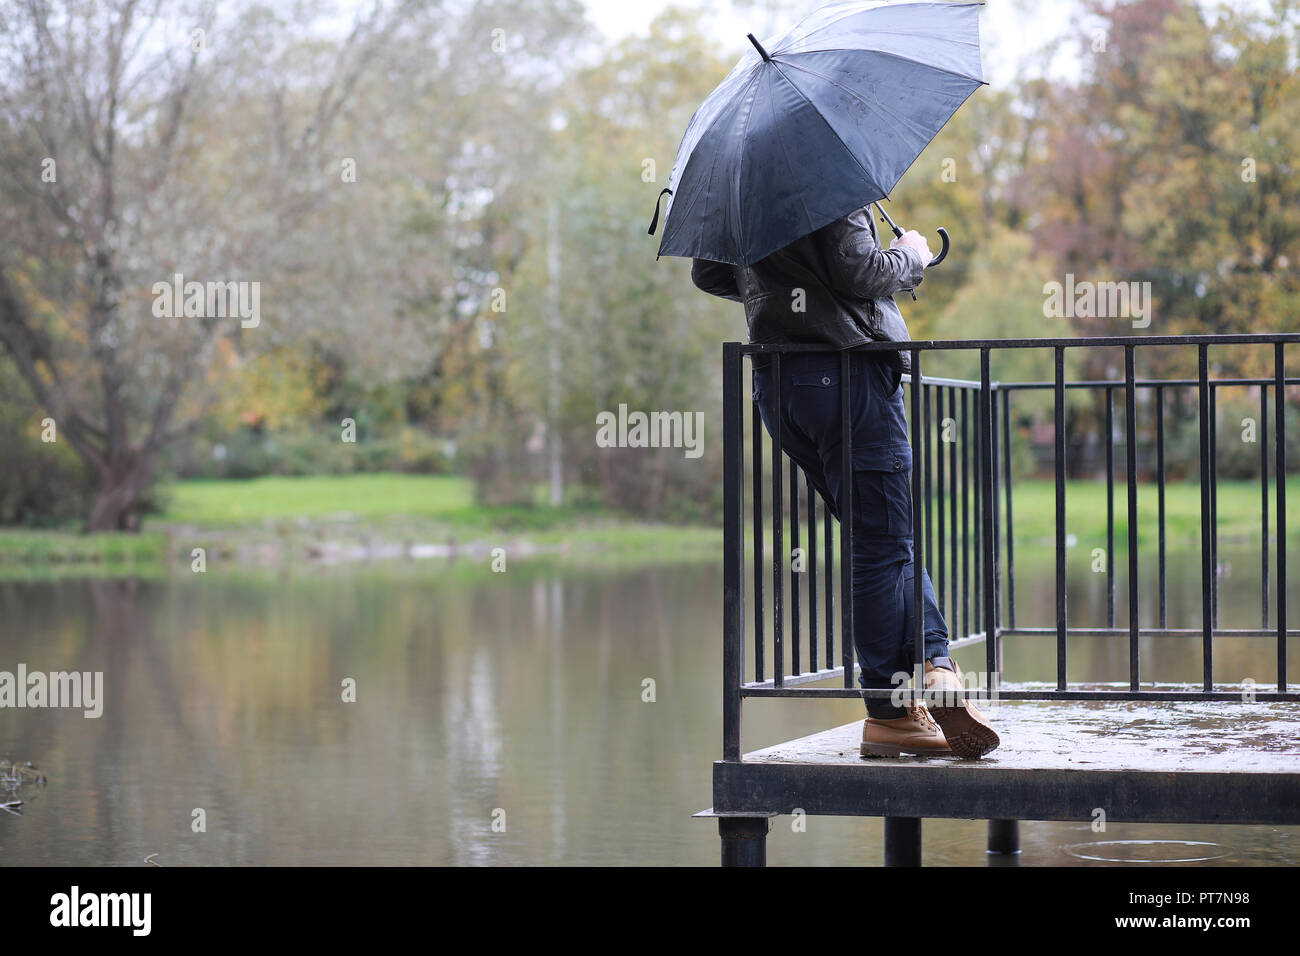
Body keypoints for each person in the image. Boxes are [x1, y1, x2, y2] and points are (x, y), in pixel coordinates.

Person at [691, 204, 999, 759]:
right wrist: (912, 254)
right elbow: (861, 273)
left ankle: (935, 668)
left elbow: (709, 273)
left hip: (780, 387)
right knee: (881, 547)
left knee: (882, 538)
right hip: (848, 379)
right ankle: (892, 710)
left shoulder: (747, 187)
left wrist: (787, 289)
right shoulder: (827, 184)